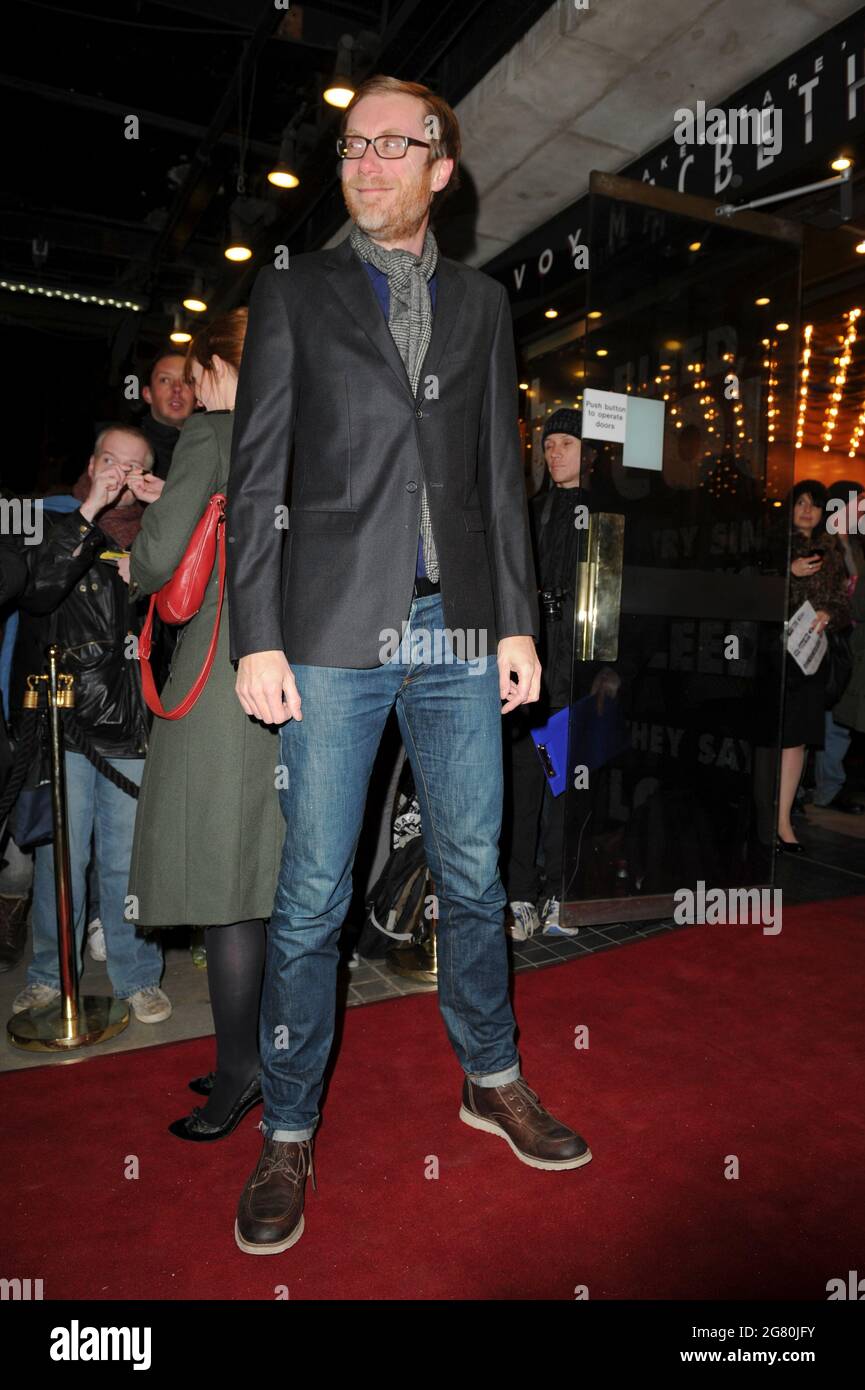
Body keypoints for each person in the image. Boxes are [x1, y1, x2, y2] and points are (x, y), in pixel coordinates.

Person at [226, 74, 593, 1257]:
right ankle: (287, 1133)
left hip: (455, 630)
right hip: (330, 633)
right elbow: (258, 475)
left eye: (397, 143)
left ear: (443, 168)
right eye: (352, 144)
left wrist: (520, 622)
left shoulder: (485, 304)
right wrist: (257, 634)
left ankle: (490, 1077)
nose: (368, 160)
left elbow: (497, 471)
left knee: (475, 872)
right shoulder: (293, 292)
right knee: (312, 900)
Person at [127, 308, 285, 1139]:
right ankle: (256, 1053)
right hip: (285, 669)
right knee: (259, 878)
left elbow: (154, 560)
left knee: (228, 888)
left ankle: (240, 1074)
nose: (189, 389)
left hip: (223, 669)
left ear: (223, 369)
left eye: (196, 373)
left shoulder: (213, 433)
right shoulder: (292, 428)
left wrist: (153, 527)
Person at [9, 425, 171, 1020]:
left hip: (132, 720)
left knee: (129, 860)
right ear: (92, 461)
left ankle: (136, 978)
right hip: (65, 719)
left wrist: (170, 519)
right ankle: (51, 973)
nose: (120, 474)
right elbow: (39, 593)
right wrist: (89, 513)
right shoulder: (56, 521)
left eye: (135, 467)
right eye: (111, 460)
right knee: (63, 856)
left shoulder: (158, 533)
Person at [501, 408, 621, 939]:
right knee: (525, 781)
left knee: (564, 787)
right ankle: (522, 895)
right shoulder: (530, 510)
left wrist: (609, 668)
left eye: (566, 445)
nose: (554, 454)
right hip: (532, 657)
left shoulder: (604, 514)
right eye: (549, 446)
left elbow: (611, 597)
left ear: (588, 454)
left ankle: (559, 892)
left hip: (577, 661)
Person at [775, 480, 850, 852]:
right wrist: (789, 572)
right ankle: (768, 814)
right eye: (800, 502)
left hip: (810, 654)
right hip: (774, 652)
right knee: (773, 735)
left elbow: (842, 603)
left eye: (814, 504)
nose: (806, 510)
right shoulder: (774, 545)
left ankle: (784, 820)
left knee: (797, 740)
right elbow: (752, 589)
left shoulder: (832, 551)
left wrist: (828, 613)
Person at [808, 481, 865, 813]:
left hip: (848, 644)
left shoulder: (852, 546)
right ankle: (822, 789)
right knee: (830, 723)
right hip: (831, 641)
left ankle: (827, 789)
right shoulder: (824, 544)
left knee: (837, 724)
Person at [139, 353, 196, 481]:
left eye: (187, 380)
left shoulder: (213, 450)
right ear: (148, 394)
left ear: (198, 397)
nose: (177, 388)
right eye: (165, 380)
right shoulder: (125, 448)